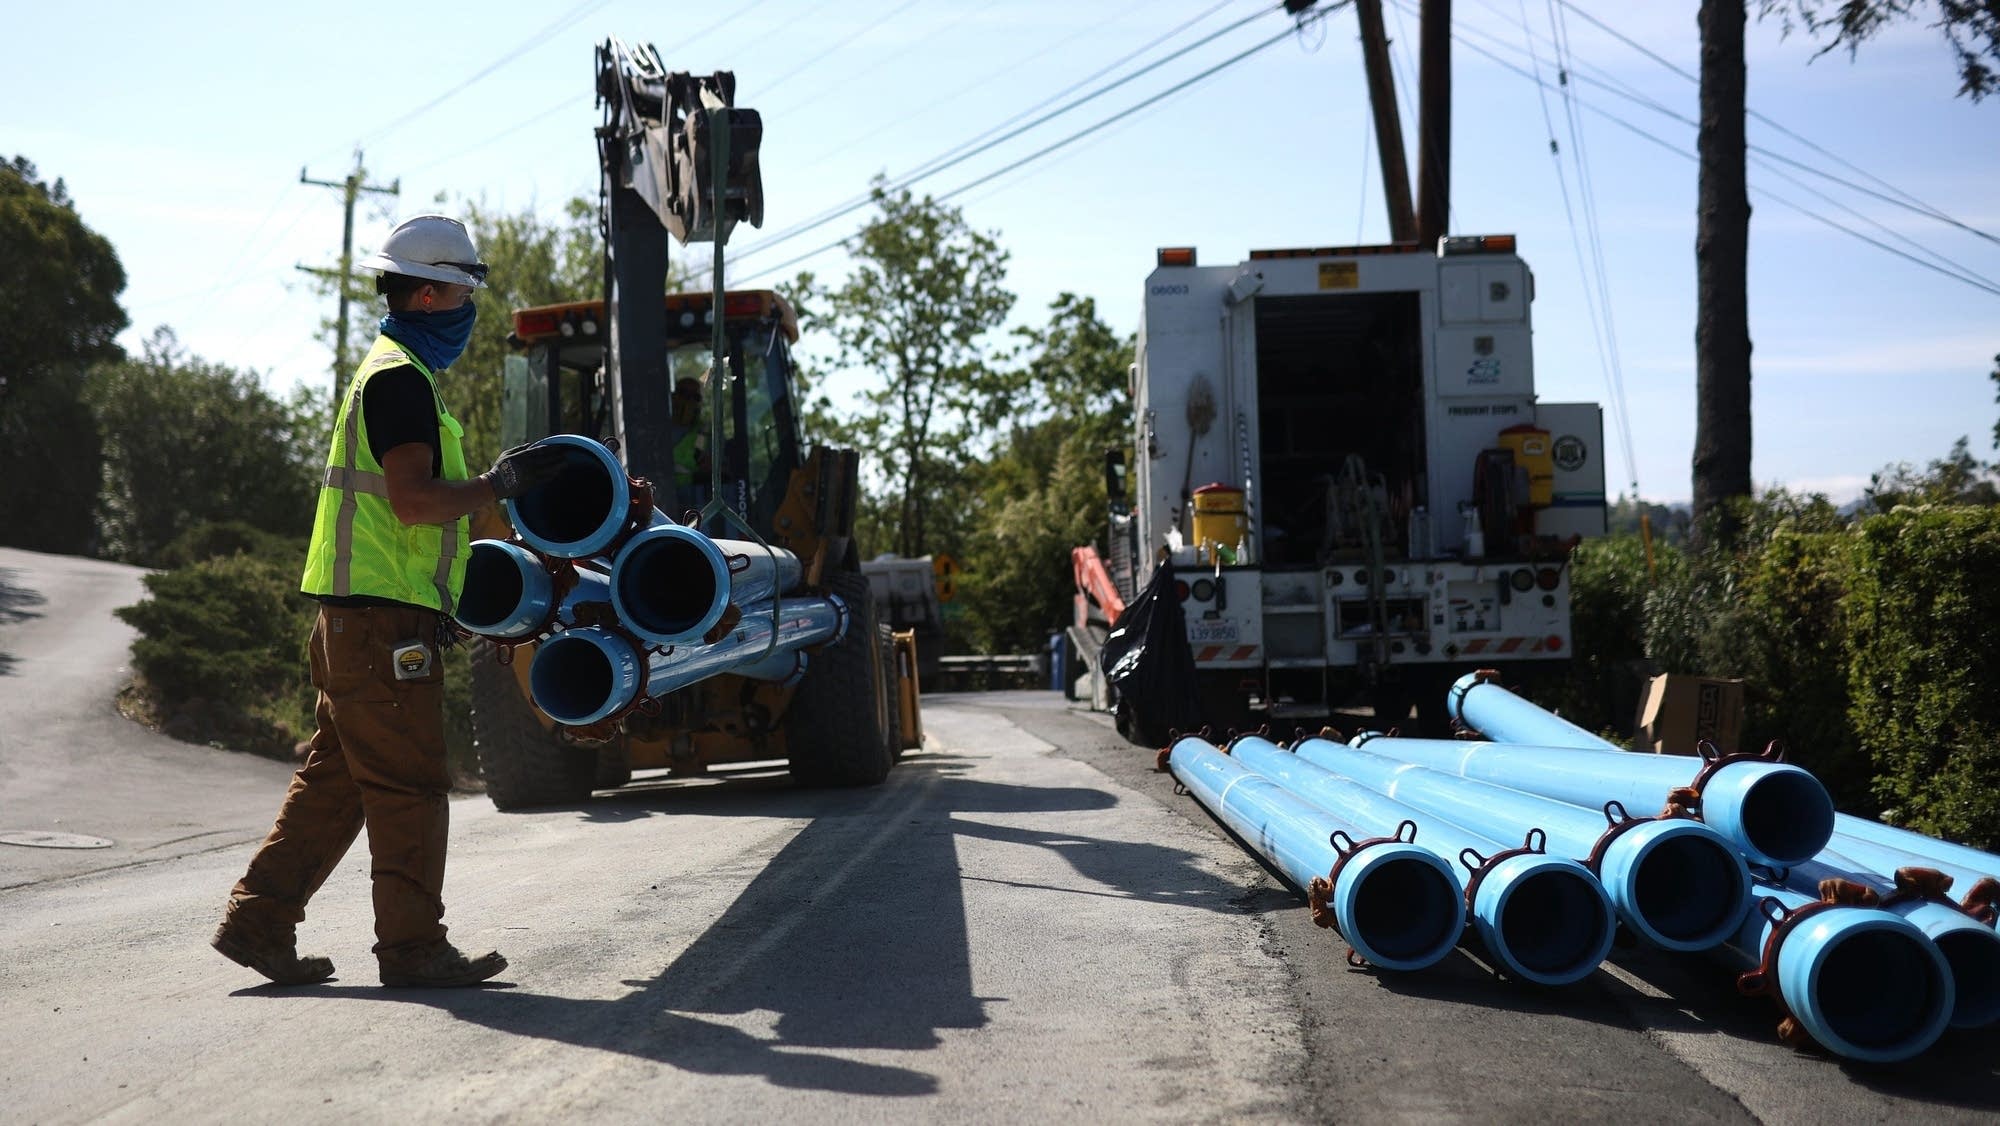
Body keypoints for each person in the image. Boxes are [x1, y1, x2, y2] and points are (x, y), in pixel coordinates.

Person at [211, 215, 566, 988]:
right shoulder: (400, 381)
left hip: (351, 622)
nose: (471, 310)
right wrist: (498, 484)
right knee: (409, 785)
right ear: (432, 293)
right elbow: (413, 503)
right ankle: (413, 949)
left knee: (337, 783)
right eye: (466, 294)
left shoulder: (390, 372)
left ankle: (258, 923)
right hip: (381, 626)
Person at [672, 374, 712, 501]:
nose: (688, 401)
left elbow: (711, 470)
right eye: (683, 394)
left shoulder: (704, 434)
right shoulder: (653, 427)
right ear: (673, 396)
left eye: (695, 397)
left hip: (688, 503)